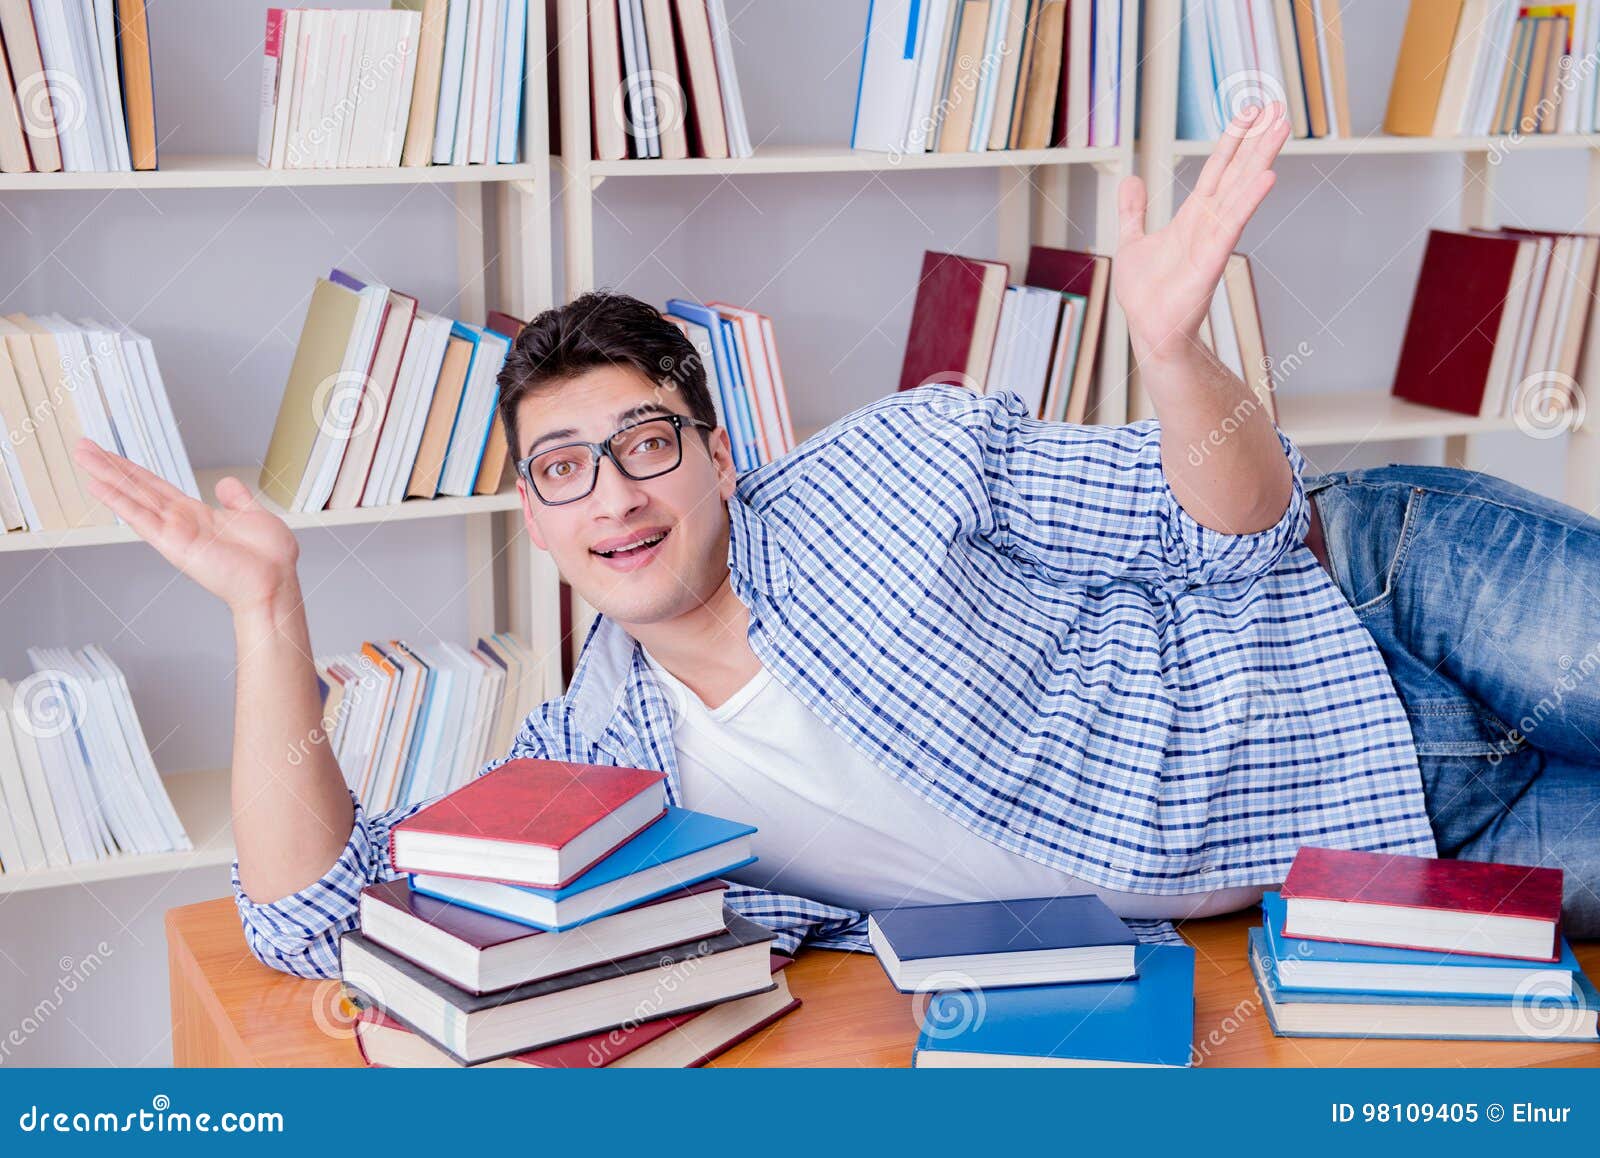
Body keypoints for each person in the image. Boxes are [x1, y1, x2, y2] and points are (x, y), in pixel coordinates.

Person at [74, 102, 1600, 980]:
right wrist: (269, 615)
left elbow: (1245, 534)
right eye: (560, 470)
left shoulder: (899, 459)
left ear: (718, 453)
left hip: (1391, 601)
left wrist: (1177, 355)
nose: (612, 492)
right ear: (532, 520)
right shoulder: (605, 766)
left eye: (643, 442)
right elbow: (307, 920)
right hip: (1390, 847)